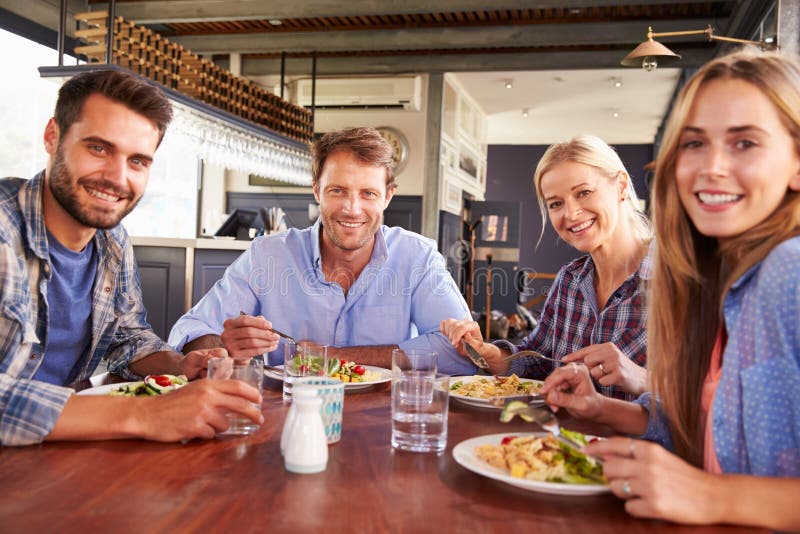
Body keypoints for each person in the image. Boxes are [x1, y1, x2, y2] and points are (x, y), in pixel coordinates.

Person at [540, 51, 800, 530]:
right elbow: (696, 427)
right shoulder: (717, 277)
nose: (712, 167)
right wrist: (599, 407)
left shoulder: (790, 270)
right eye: (695, 144)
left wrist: (714, 496)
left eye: (745, 142)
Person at [0, 70, 261, 447]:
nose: (117, 177)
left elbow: (127, 338)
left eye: (138, 161)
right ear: (52, 137)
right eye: (99, 148)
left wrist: (180, 365)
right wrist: (144, 414)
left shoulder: (112, 240)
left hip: (56, 453)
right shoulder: (6, 231)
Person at [169, 127, 473, 374]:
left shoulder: (417, 257)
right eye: (337, 190)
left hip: (381, 423)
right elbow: (191, 330)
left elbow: (461, 351)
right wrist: (221, 347)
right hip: (284, 419)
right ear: (317, 191)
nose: (352, 209)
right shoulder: (268, 255)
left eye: (368, 193)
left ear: (388, 197)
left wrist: (334, 357)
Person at [442, 135, 651, 399]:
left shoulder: (680, 279)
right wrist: (486, 351)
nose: (571, 213)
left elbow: (709, 394)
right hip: (560, 439)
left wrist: (642, 378)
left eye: (583, 193)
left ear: (621, 186)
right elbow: (538, 361)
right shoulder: (569, 281)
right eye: (556, 203)